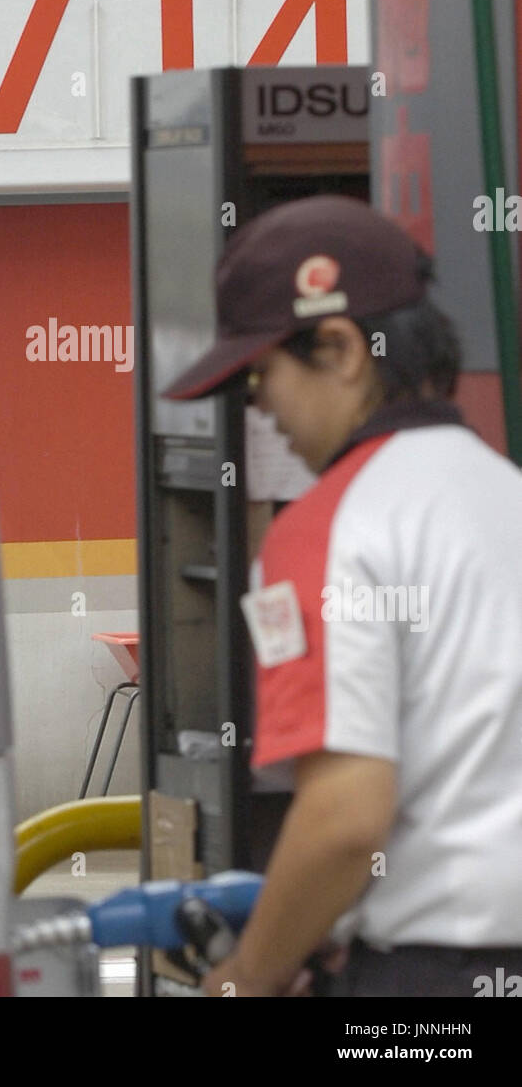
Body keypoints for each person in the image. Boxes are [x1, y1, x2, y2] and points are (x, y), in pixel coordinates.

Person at [162, 195, 522, 998]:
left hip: (437, 984)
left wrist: (246, 980)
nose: (258, 406)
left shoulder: (325, 531)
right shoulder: (505, 494)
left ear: (341, 349)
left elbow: (345, 820)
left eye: (262, 374)